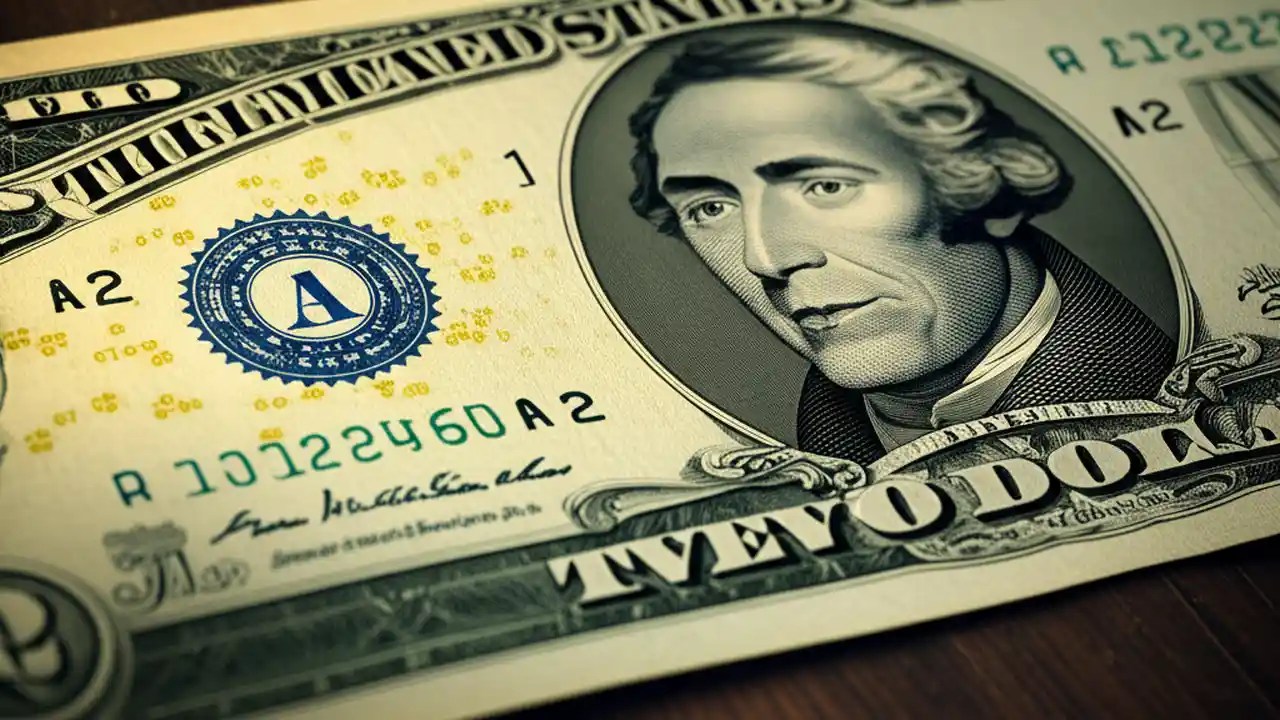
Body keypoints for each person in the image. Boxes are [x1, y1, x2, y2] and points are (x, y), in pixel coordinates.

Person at [627, 33, 1177, 465]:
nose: (765, 258)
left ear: (985, 188)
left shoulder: (1182, 389)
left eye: (826, 187)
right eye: (711, 209)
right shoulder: (821, 443)